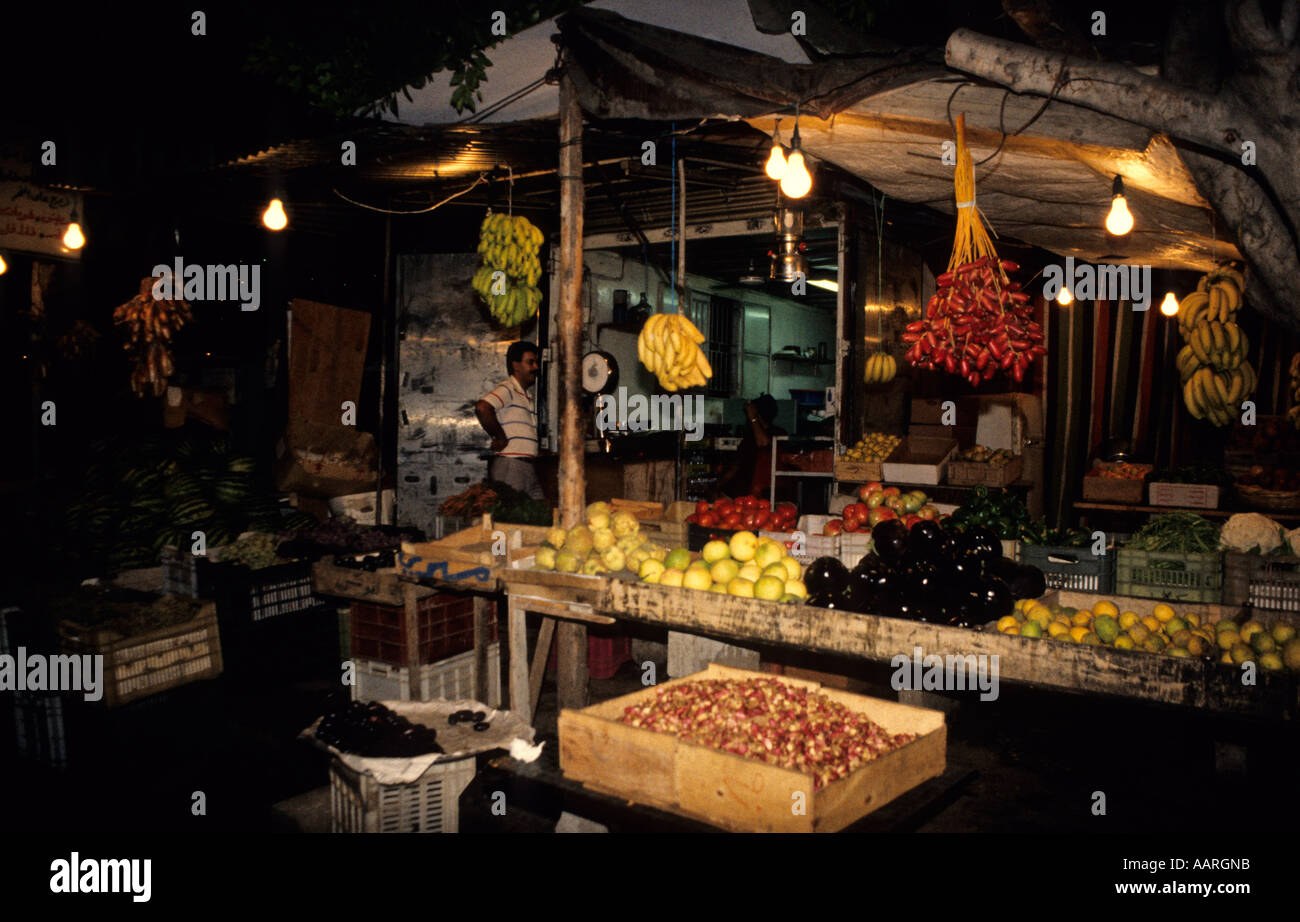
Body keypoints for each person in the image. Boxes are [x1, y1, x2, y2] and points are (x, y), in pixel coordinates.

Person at [475, 341, 543, 499]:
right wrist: (500, 437)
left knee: (537, 515)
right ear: (516, 365)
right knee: (509, 518)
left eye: (536, 362)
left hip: (527, 467)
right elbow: (483, 407)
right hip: (511, 466)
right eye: (530, 362)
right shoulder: (508, 388)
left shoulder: (526, 395)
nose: (536, 367)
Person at [719, 394, 786, 499]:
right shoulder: (749, 437)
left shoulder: (778, 434)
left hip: (765, 492)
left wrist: (752, 418)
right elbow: (735, 467)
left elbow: (763, 443)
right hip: (743, 493)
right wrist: (717, 485)